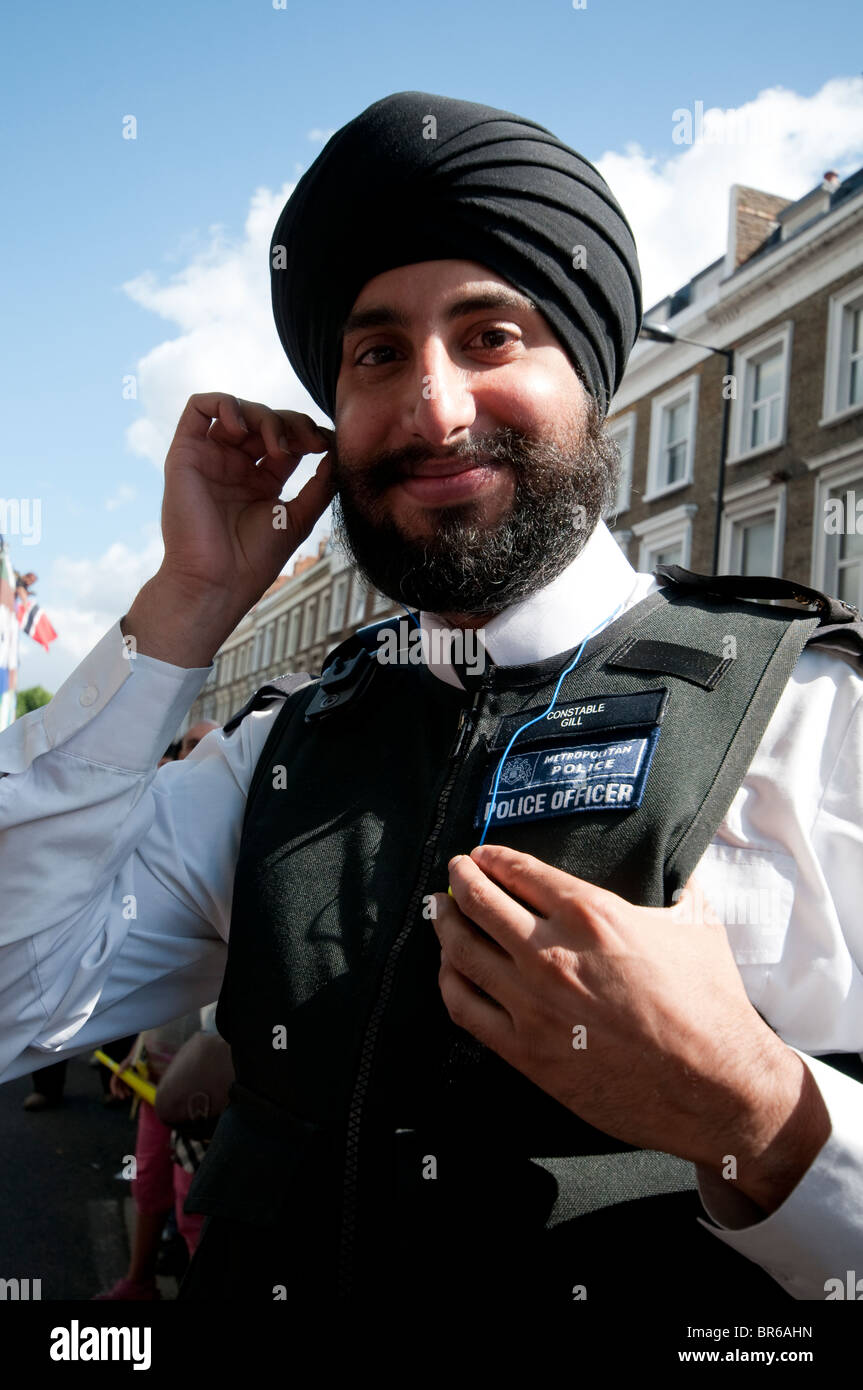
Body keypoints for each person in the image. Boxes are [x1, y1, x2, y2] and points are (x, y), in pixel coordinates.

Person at [0, 91, 861, 1308]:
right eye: (377, 354)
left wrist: (754, 1110)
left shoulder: (815, 721)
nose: (433, 406)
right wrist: (184, 605)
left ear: (592, 381)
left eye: (491, 335)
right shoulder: (279, 751)